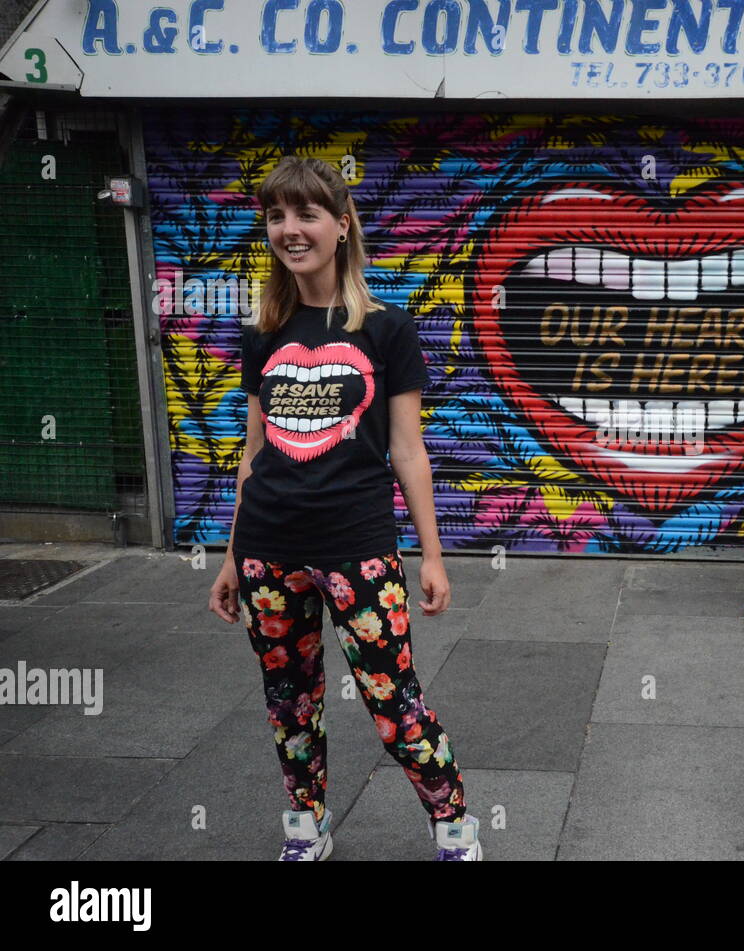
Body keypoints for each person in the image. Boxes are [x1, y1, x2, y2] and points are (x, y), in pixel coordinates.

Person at [207, 156, 481, 861]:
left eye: (307, 214)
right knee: (289, 701)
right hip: (268, 548)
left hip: (357, 548)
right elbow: (253, 452)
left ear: (341, 224)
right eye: (276, 216)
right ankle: (307, 824)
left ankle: (453, 824)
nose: (290, 230)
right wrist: (232, 556)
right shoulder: (263, 331)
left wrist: (432, 556)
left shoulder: (386, 329)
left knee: (394, 701)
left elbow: (409, 451)